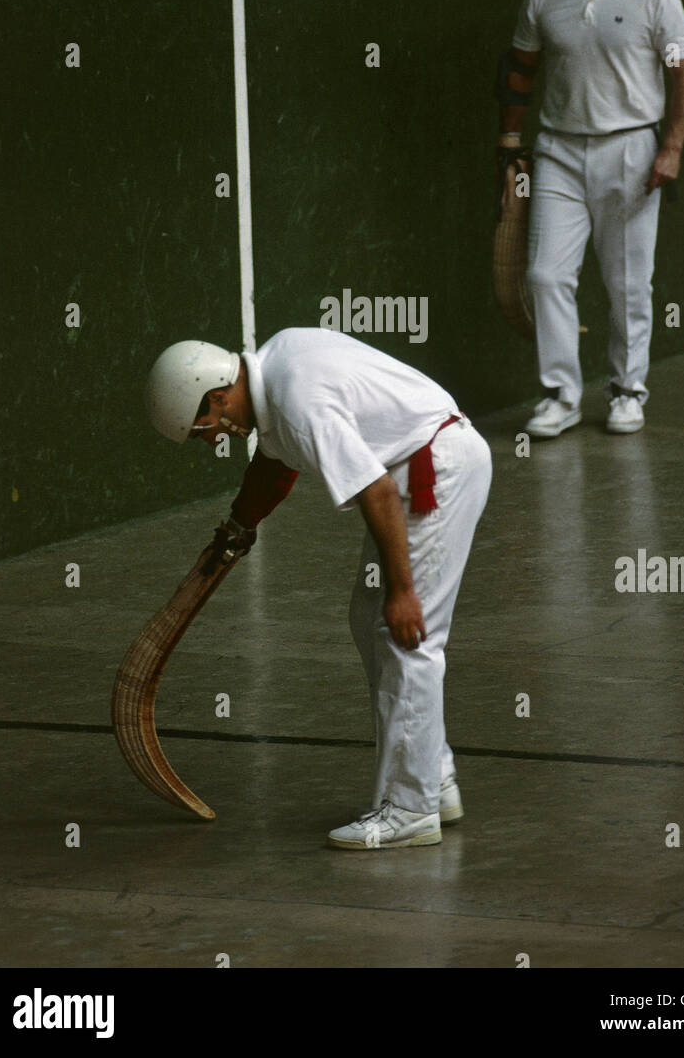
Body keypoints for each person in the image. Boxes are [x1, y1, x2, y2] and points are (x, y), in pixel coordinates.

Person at [144, 328, 492, 849]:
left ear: (216, 396)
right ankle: (431, 776)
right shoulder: (276, 370)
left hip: (432, 471)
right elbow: (277, 461)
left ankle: (409, 809)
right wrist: (239, 526)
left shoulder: (296, 395)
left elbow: (374, 490)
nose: (213, 438)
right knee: (367, 619)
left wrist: (403, 591)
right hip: (417, 467)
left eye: (204, 428)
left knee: (404, 635)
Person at [497, 0, 684, 437]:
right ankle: (561, 396)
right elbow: (520, 69)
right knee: (544, 275)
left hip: (632, 150)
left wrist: (673, 147)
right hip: (558, 150)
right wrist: (511, 143)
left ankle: (627, 391)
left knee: (629, 283)